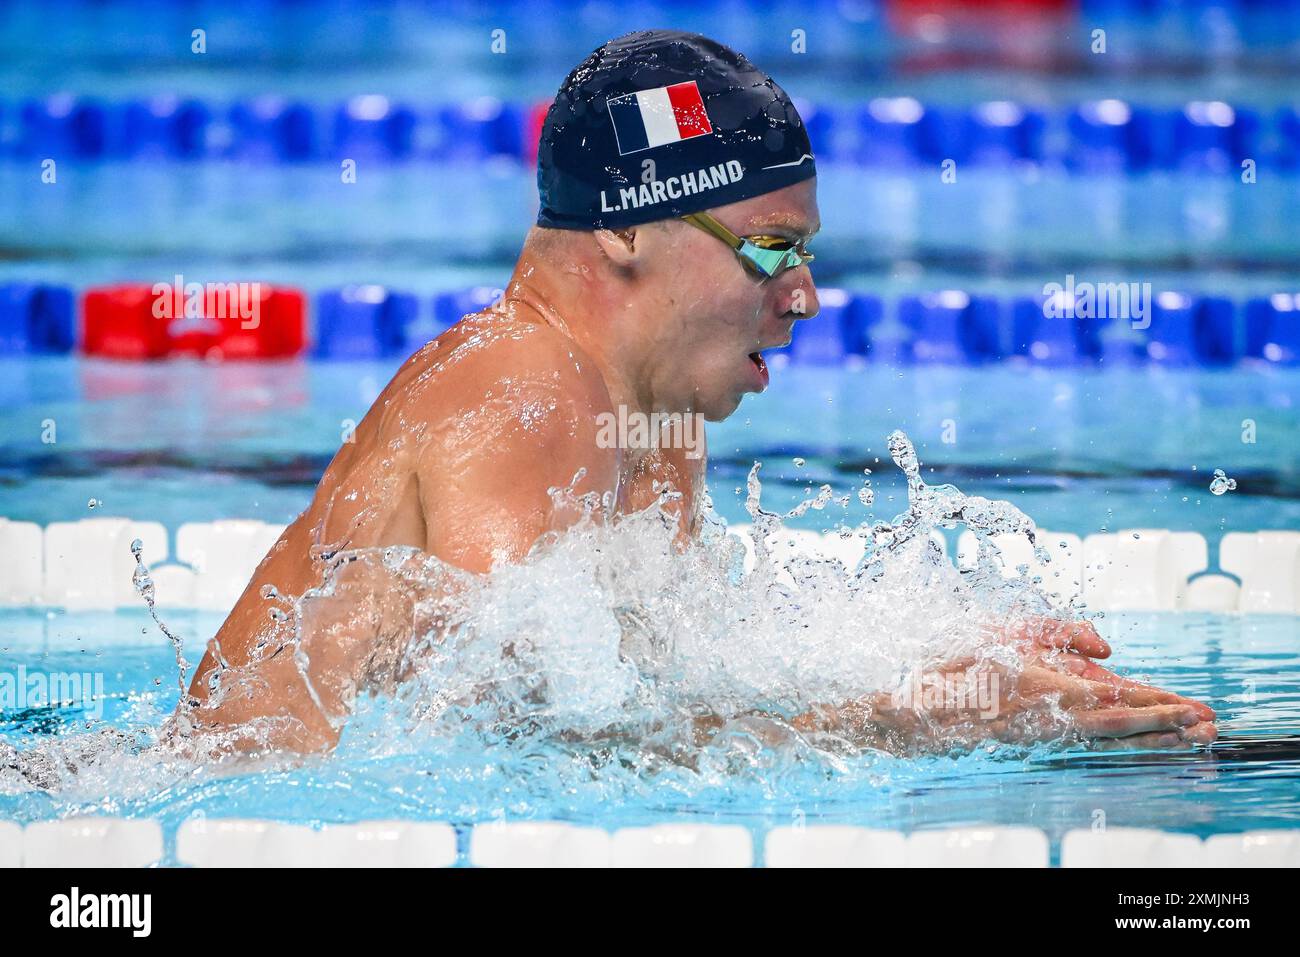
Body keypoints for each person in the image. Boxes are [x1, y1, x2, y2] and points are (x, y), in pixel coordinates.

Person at [178, 30, 1216, 754]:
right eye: (771, 250)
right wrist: (906, 717)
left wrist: (938, 659)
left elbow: (655, 695)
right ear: (627, 231)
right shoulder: (522, 388)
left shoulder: (652, 409)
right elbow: (518, 751)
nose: (804, 297)